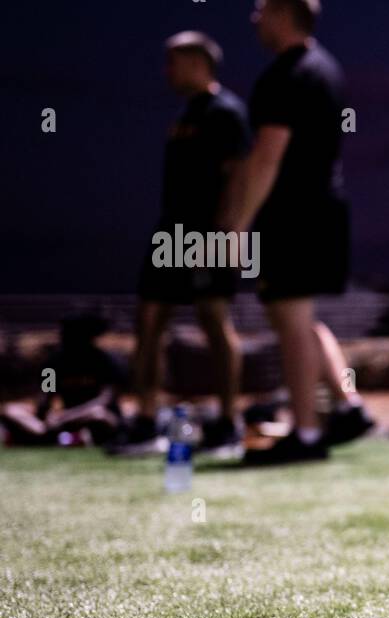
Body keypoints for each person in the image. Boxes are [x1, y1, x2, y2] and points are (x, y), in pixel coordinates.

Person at [223, 0, 372, 465]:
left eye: (261, 9)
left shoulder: (287, 74)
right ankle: (347, 406)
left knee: (289, 319)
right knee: (297, 317)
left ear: (283, 14)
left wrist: (238, 225)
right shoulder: (324, 66)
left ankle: (306, 434)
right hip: (321, 208)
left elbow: (267, 156)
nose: (254, 18)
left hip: (293, 213)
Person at [115, 31, 249, 455]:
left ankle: (228, 423)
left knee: (213, 318)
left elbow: (240, 175)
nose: (167, 71)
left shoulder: (226, 111)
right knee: (149, 318)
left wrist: (231, 232)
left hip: (211, 232)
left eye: (173, 62)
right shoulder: (185, 114)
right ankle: (145, 421)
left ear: (197, 62)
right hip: (170, 231)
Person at [2, 314, 124, 447]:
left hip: (88, 415)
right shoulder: (52, 365)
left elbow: (105, 400)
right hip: (65, 420)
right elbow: (45, 398)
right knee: (11, 410)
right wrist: (47, 416)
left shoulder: (105, 361)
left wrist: (66, 415)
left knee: (98, 414)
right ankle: (53, 436)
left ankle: (48, 437)